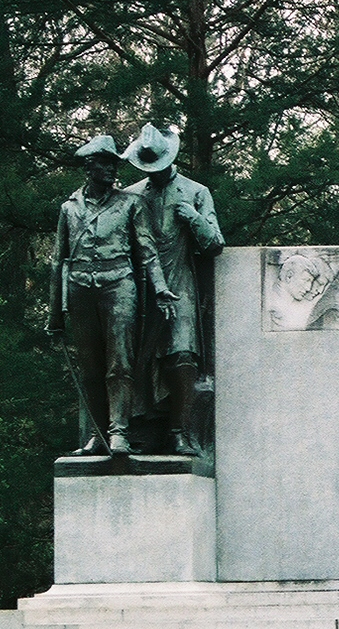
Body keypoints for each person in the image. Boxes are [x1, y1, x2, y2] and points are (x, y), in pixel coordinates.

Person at [49, 135, 176, 456]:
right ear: (90, 167)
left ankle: (119, 431)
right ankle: (97, 435)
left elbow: (147, 252)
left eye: (114, 164)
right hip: (80, 290)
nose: (111, 170)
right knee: (90, 367)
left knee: (119, 363)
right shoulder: (69, 208)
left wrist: (160, 288)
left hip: (119, 285)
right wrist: (54, 313)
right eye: (105, 163)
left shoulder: (129, 204)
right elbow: (57, 260)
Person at [121, 123, 223, 454]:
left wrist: (192, 217)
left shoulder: (196, 192)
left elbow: (215, 243)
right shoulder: (131, 195)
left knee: (182, 355)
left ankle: (180, 431)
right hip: (141, 287)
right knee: (135, 358)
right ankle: (138, 431)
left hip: (181, 282)